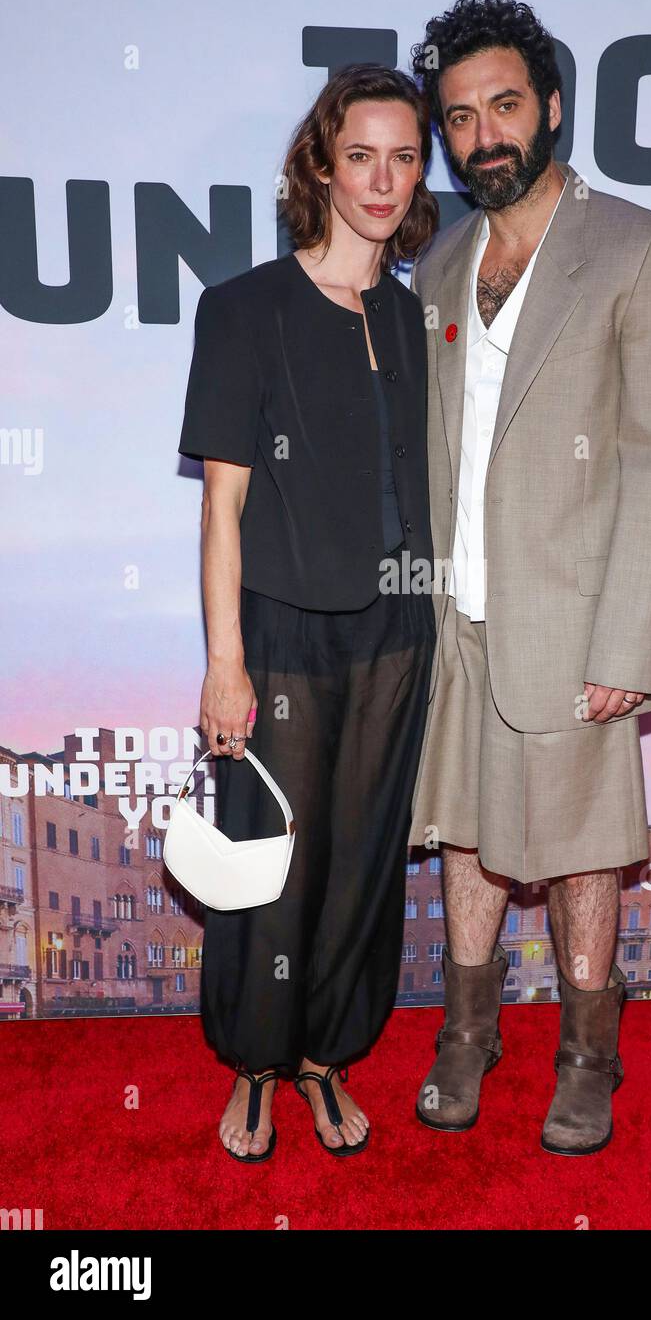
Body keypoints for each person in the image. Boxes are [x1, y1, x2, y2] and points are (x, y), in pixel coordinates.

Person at [406, 0, 651, 1154]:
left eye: (502, 107)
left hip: (575, 622)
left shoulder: (637, 247)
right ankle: (466, 1032)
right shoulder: (436, 264)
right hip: (455, 622)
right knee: (469, 839)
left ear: (550, 108)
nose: (482, 135)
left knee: (582, 849)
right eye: (459, 118)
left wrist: (632, 646)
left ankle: (587, 1048)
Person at [177, 64, 438, 1161]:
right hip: (284, 625)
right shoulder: (243, 308)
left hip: (396, 629)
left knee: (362, 861)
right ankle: (254, 1067)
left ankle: (327, 1058)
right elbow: (222, 507)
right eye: (361, 155)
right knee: (270, 859)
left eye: (404, 156)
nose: (382, 180)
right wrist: (224, 662)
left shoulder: (408, 311)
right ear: (319, 166)